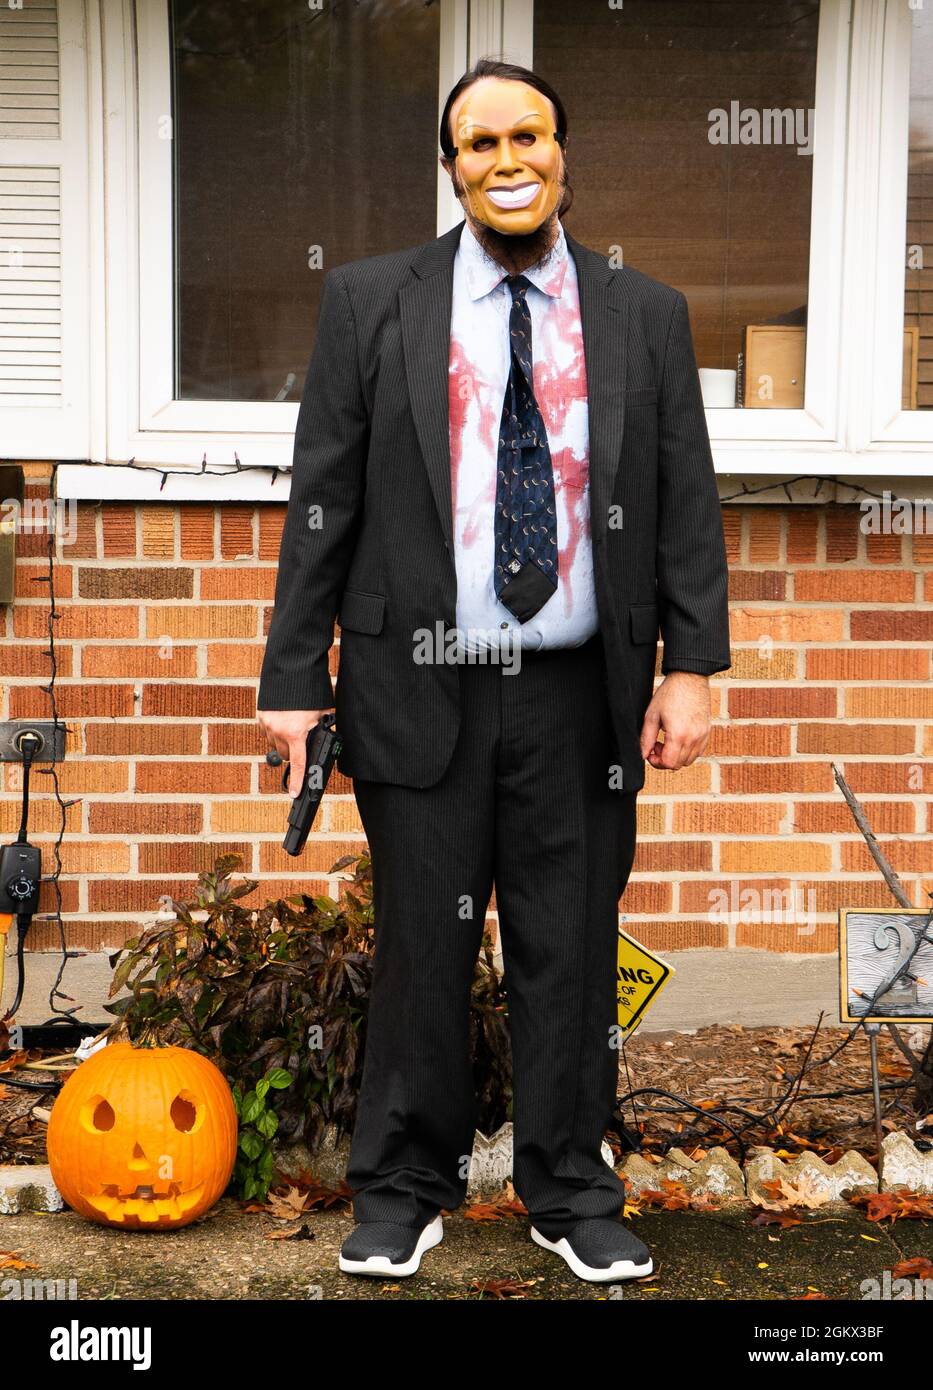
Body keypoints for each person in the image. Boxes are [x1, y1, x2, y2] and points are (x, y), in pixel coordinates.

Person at [257, 58, 731, 1284]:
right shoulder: (372, 302)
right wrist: (291, 675)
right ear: (452, 165)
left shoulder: (647, 314)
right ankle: (403, 1185)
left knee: (568, 944)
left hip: (582, 690)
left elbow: (685, 504)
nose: (507, 160)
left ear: (565, 156)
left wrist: (696, 667)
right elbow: (324, 499)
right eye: (480, 144)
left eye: (529, 137)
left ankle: (570, 1186)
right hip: (417, 679)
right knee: (423, 939)